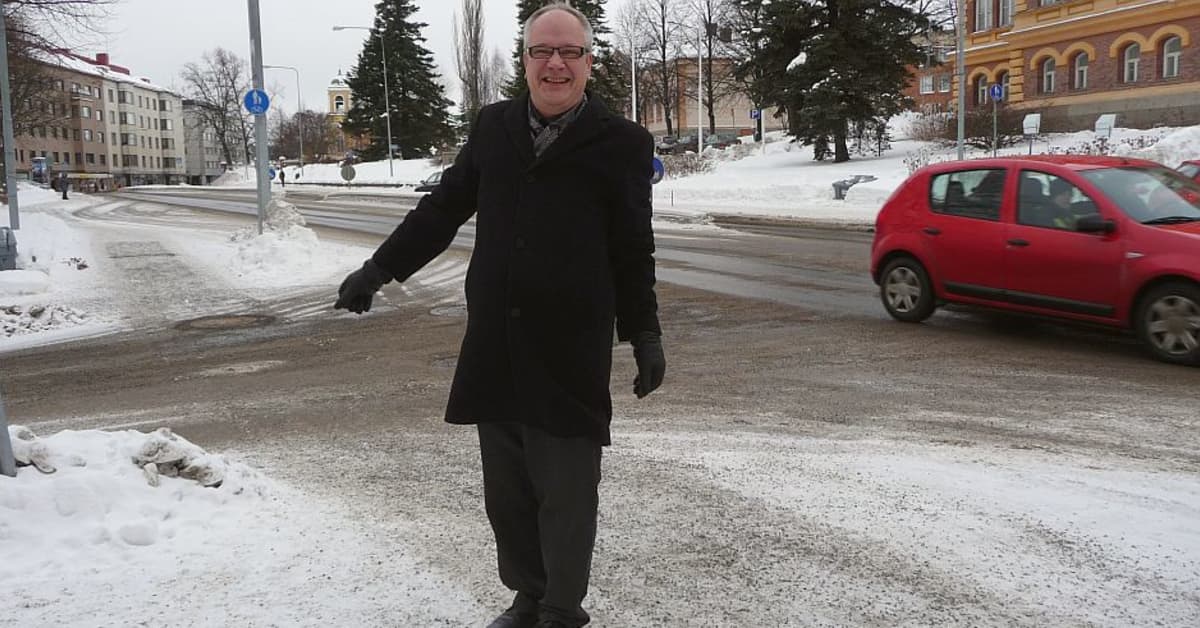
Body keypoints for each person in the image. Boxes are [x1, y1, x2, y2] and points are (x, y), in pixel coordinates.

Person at [333, 3, 665, 627]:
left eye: (570, 53)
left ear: (589, 63)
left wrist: (644, 332)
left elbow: (632, 247)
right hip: (496, 340)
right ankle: (528, 595)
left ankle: (562, 610)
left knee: (565, 491)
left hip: (569, 348)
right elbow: (442, 209)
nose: (556, 65)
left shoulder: (622, 142)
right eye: (543, 52)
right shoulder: (494, 127)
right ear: (525, 61)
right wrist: (379, 269)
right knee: (508, 491)